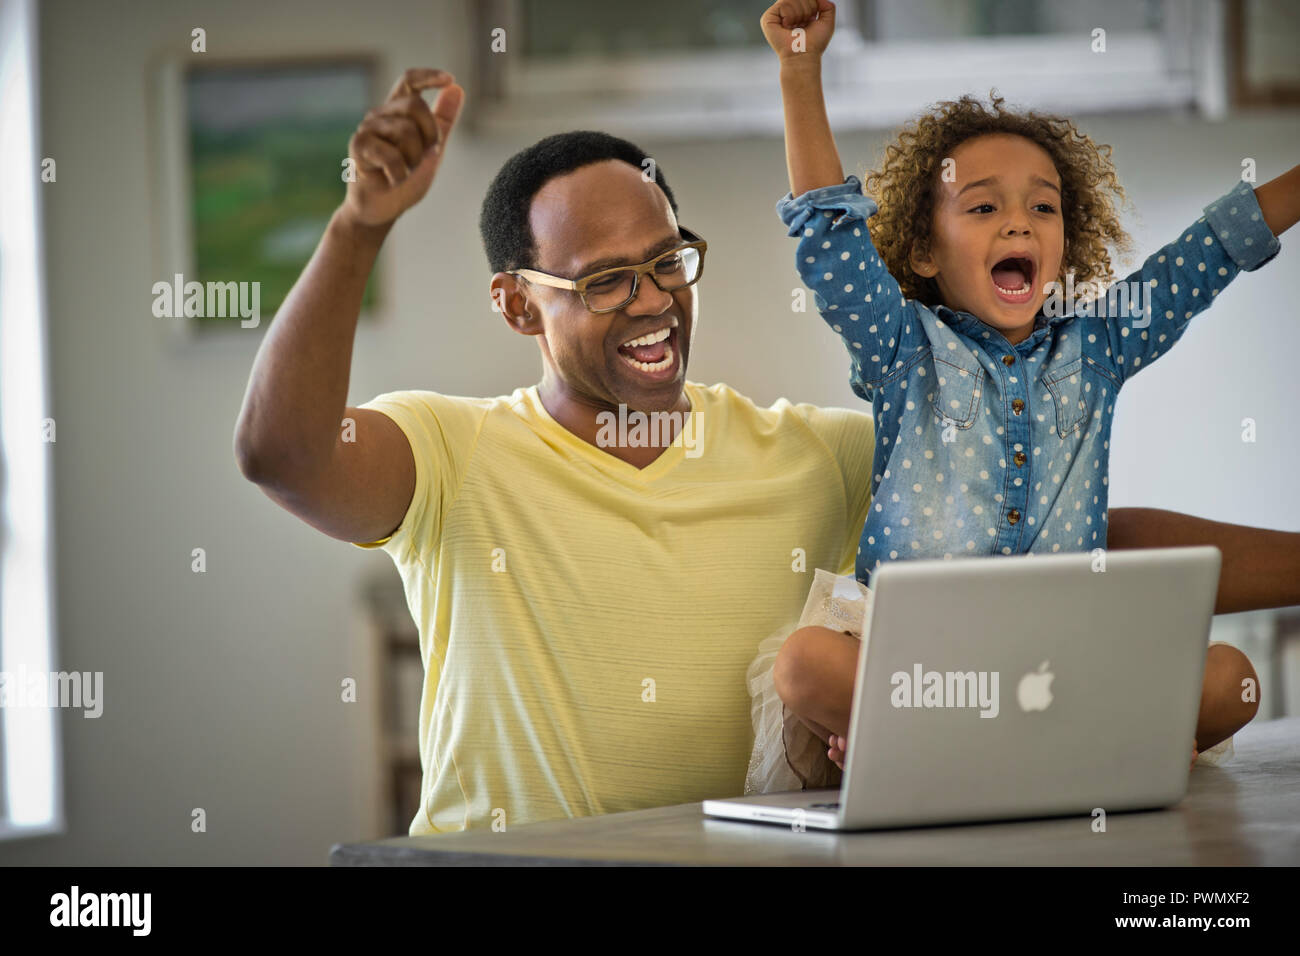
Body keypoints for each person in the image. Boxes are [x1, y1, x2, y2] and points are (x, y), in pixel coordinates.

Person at [234, 67, 1298, 835]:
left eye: (667, 263)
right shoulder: (451, 449)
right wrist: (356, 230)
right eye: (606, 279)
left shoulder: (805, 452)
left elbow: (1054, 541)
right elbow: (282, 453)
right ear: (517, 305)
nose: (651, 301)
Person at [758, 0, 1297, 781]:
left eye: (1043, 208)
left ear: (1066, 247)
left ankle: (971, 751)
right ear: (920, 250)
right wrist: (799, 68)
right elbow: (828, 237)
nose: (1019, 222)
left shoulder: (1102, 346)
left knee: (1230, 682)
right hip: (921, 667)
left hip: (1058, 660)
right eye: (982, 207)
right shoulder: (904, 348)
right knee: (805, 665)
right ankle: (1059, 752)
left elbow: (1205, 256)